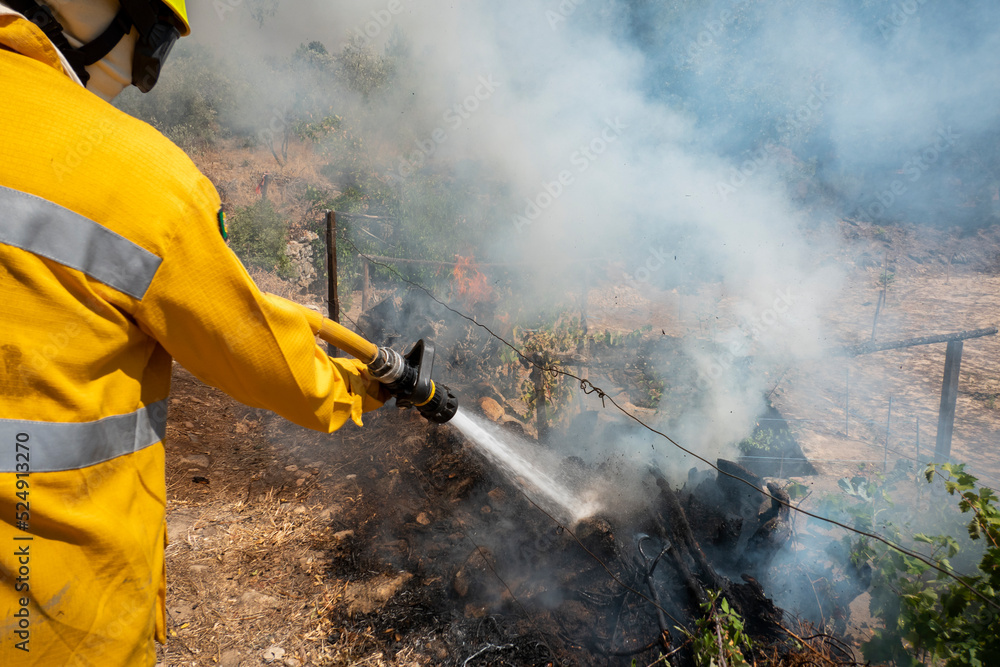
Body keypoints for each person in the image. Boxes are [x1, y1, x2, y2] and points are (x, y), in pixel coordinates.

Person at [0, 2, 387, 663]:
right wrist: (361, 389)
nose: (146, 63)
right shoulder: (140, 178)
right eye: (152, 37)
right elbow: (251, 348)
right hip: (56, 619)